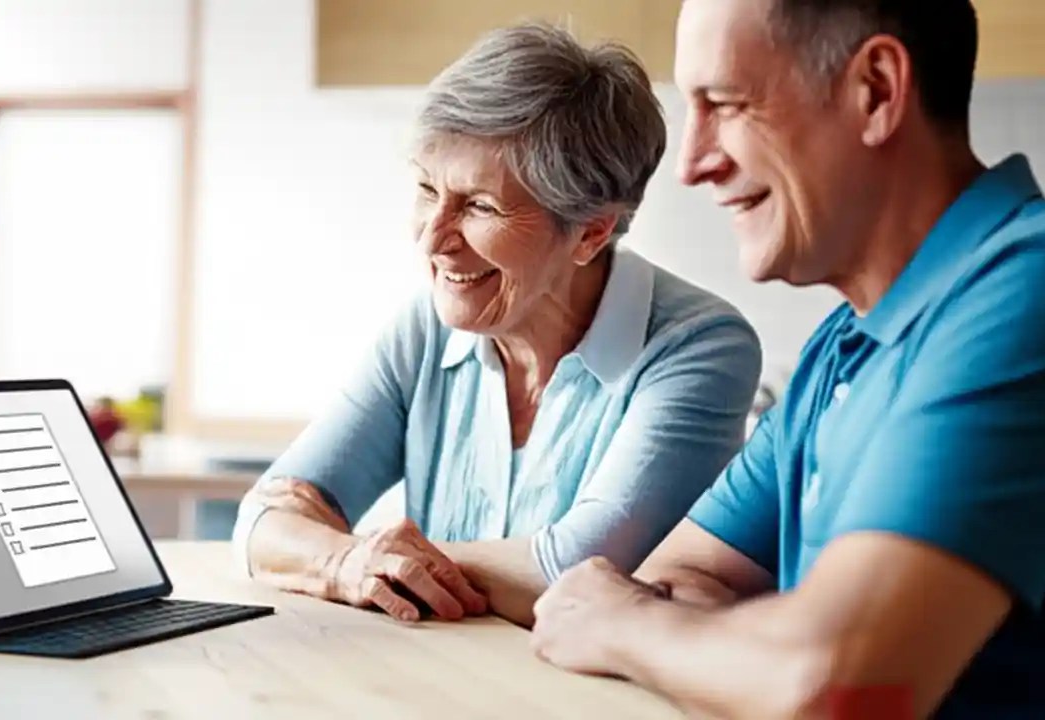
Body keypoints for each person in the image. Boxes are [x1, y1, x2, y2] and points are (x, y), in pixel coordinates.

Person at [529, 1, 1045, 717]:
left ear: (875, 90)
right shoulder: (842, 344)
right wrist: (750, 647)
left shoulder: (1035, 286)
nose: (691, 165)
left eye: (725, 103)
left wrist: (621, 622)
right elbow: (684, 572)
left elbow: (838, 680)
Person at [230, 23, 762, 627]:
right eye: (428, 189)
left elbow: (579, 572)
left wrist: (369, 558)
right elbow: (263, 523)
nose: (433, 239)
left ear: (590, 231)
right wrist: (350, 563)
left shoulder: (699, 346)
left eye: (480, 206)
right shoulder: (424, 333)